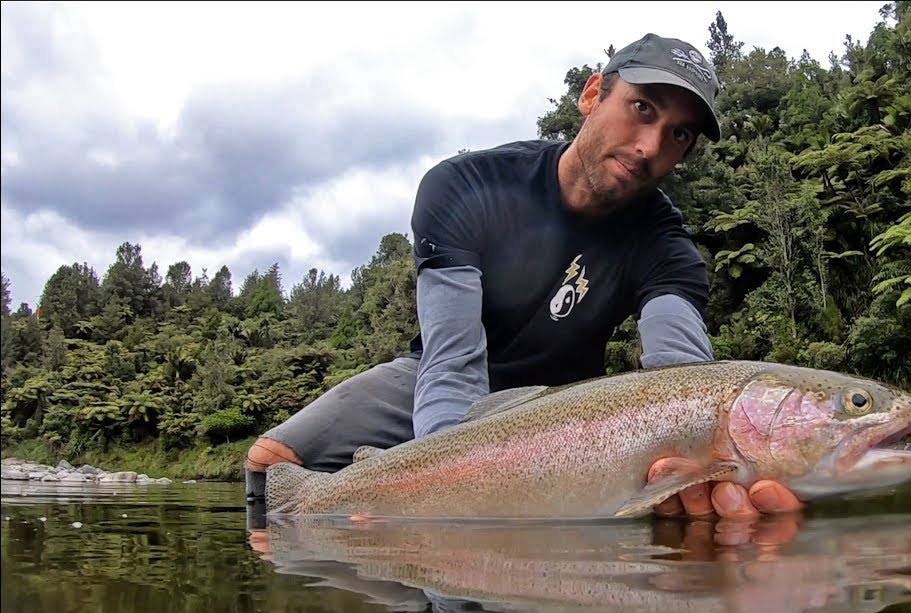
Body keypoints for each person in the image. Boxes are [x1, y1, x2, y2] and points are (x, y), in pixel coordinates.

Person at [243, 33, 803, 519]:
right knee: (274, 467)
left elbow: (683, 379)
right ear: (592, 94)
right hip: (439, 375)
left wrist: (710, 463)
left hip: (566, 405)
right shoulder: (465, 187)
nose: (649, 146)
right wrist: (447, 480)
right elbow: (452, 361)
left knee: (689, 509)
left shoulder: (668, 247)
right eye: (642, 108)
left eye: (679, 135)